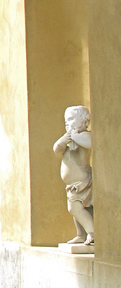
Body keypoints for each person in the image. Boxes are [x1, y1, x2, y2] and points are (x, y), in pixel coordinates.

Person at [52, 104, 94, 246]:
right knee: (76, 211)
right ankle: (81, 235)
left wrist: (75, 136)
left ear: (84, 121)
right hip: (71, 185)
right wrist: (65, 139)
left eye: (70, 119)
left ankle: (92, 232)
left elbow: (90, 144)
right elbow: (56, 149)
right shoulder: (68, 140)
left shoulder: (84, 136)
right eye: (66, 121)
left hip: (82, 182)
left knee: (74, 208)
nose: (67, 123)